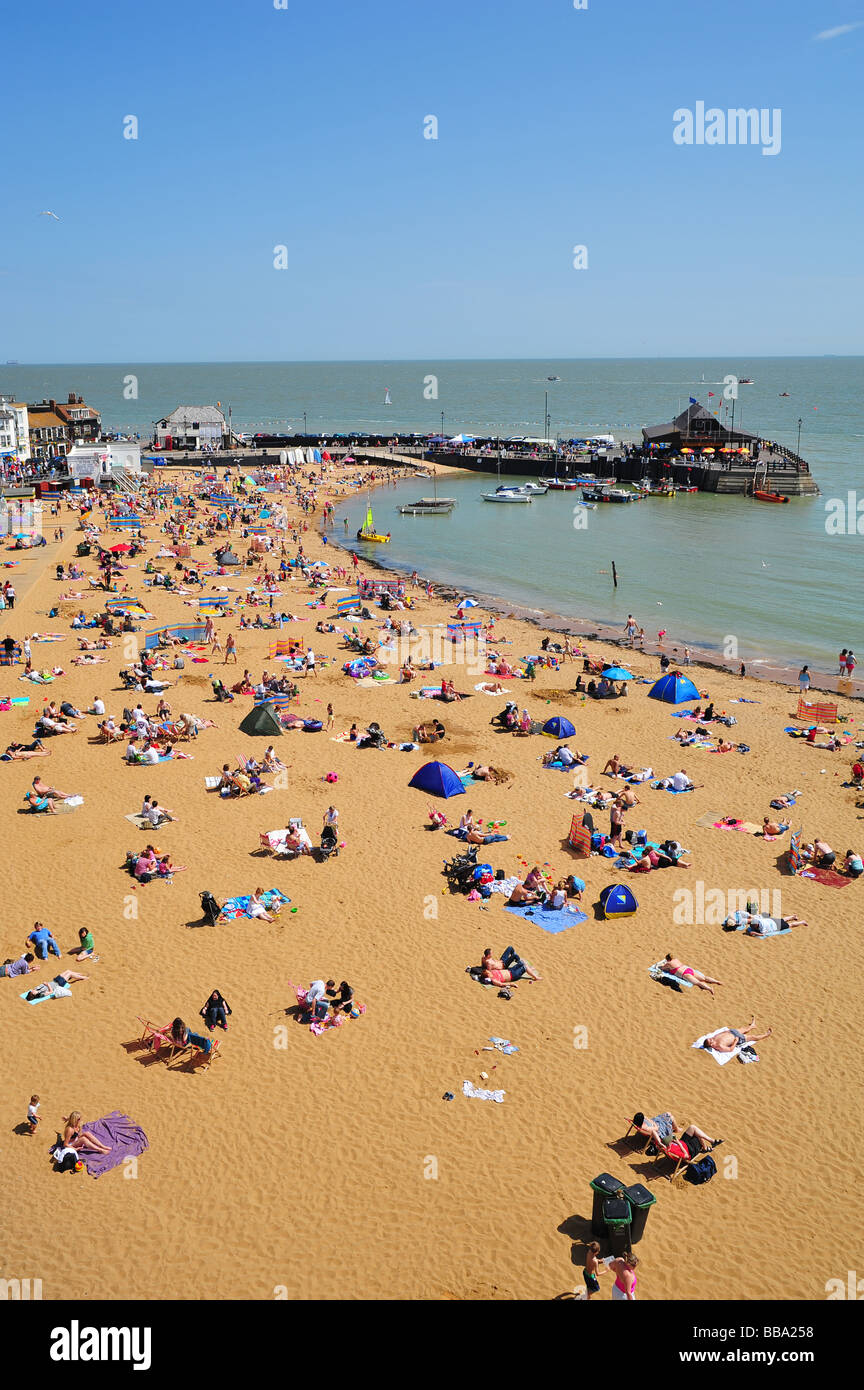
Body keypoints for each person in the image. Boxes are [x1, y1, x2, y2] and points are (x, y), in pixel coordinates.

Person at [702, 1017, 772, 1053]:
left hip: (732, 1032)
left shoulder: (713, 1038)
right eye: (710, 1040)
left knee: (744, 1029)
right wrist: (735, 1041)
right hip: (737, 1038)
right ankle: (766, 1035)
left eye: (710, 1038)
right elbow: (730, 1049)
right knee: (752, 1037)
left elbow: (720, 1033)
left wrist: (727, 1031)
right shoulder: (719, 1046)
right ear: (711, 1045)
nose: (711, 1038)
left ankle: (752, 1026)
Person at [24, 970, 88, 1002]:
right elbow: (51, 992)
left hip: (54, 980)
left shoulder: (35, 989)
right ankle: (83, 977)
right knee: (70, 974)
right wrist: (48, 985)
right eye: (32, 991)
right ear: (33, 994)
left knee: (68, 970)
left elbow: (37, 989)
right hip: (58, 984)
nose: (32, 990)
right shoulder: (41, 994)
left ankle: (79, 974)